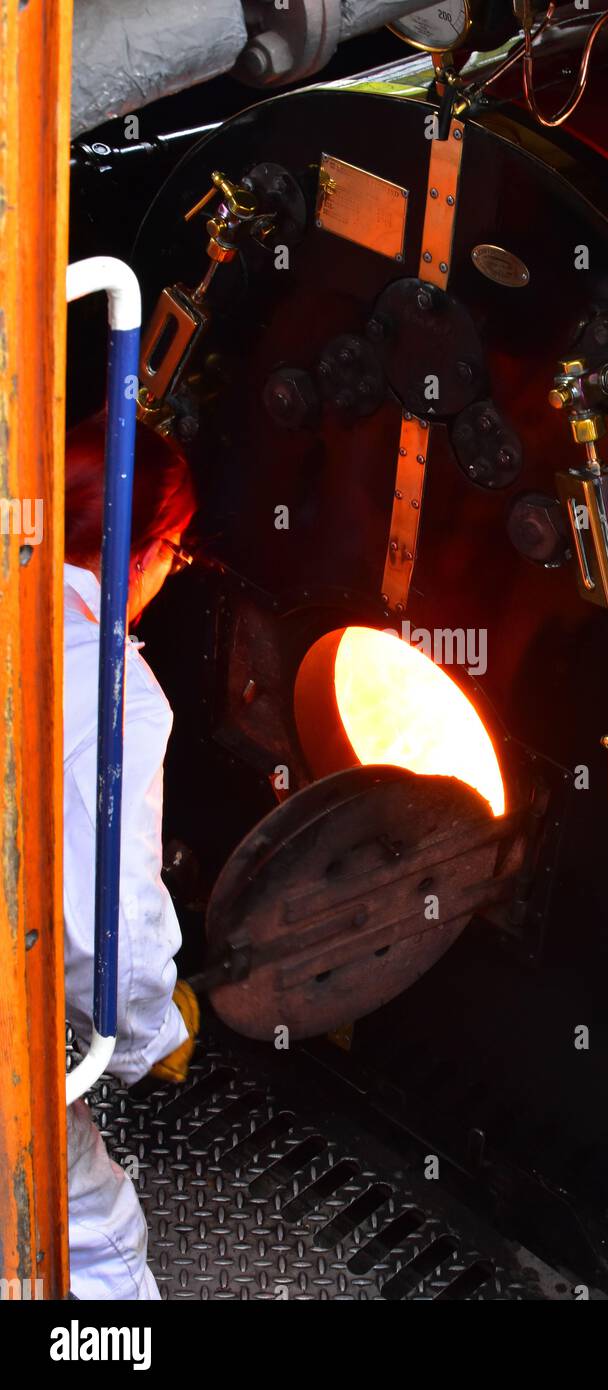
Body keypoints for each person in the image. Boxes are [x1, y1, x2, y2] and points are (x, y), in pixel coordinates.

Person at [63, 414, 199, 1300]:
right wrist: (153, 1035)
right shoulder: (113, 689)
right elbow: (103, 930)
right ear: (146, 551)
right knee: (98, 1241)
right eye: (176, 556)